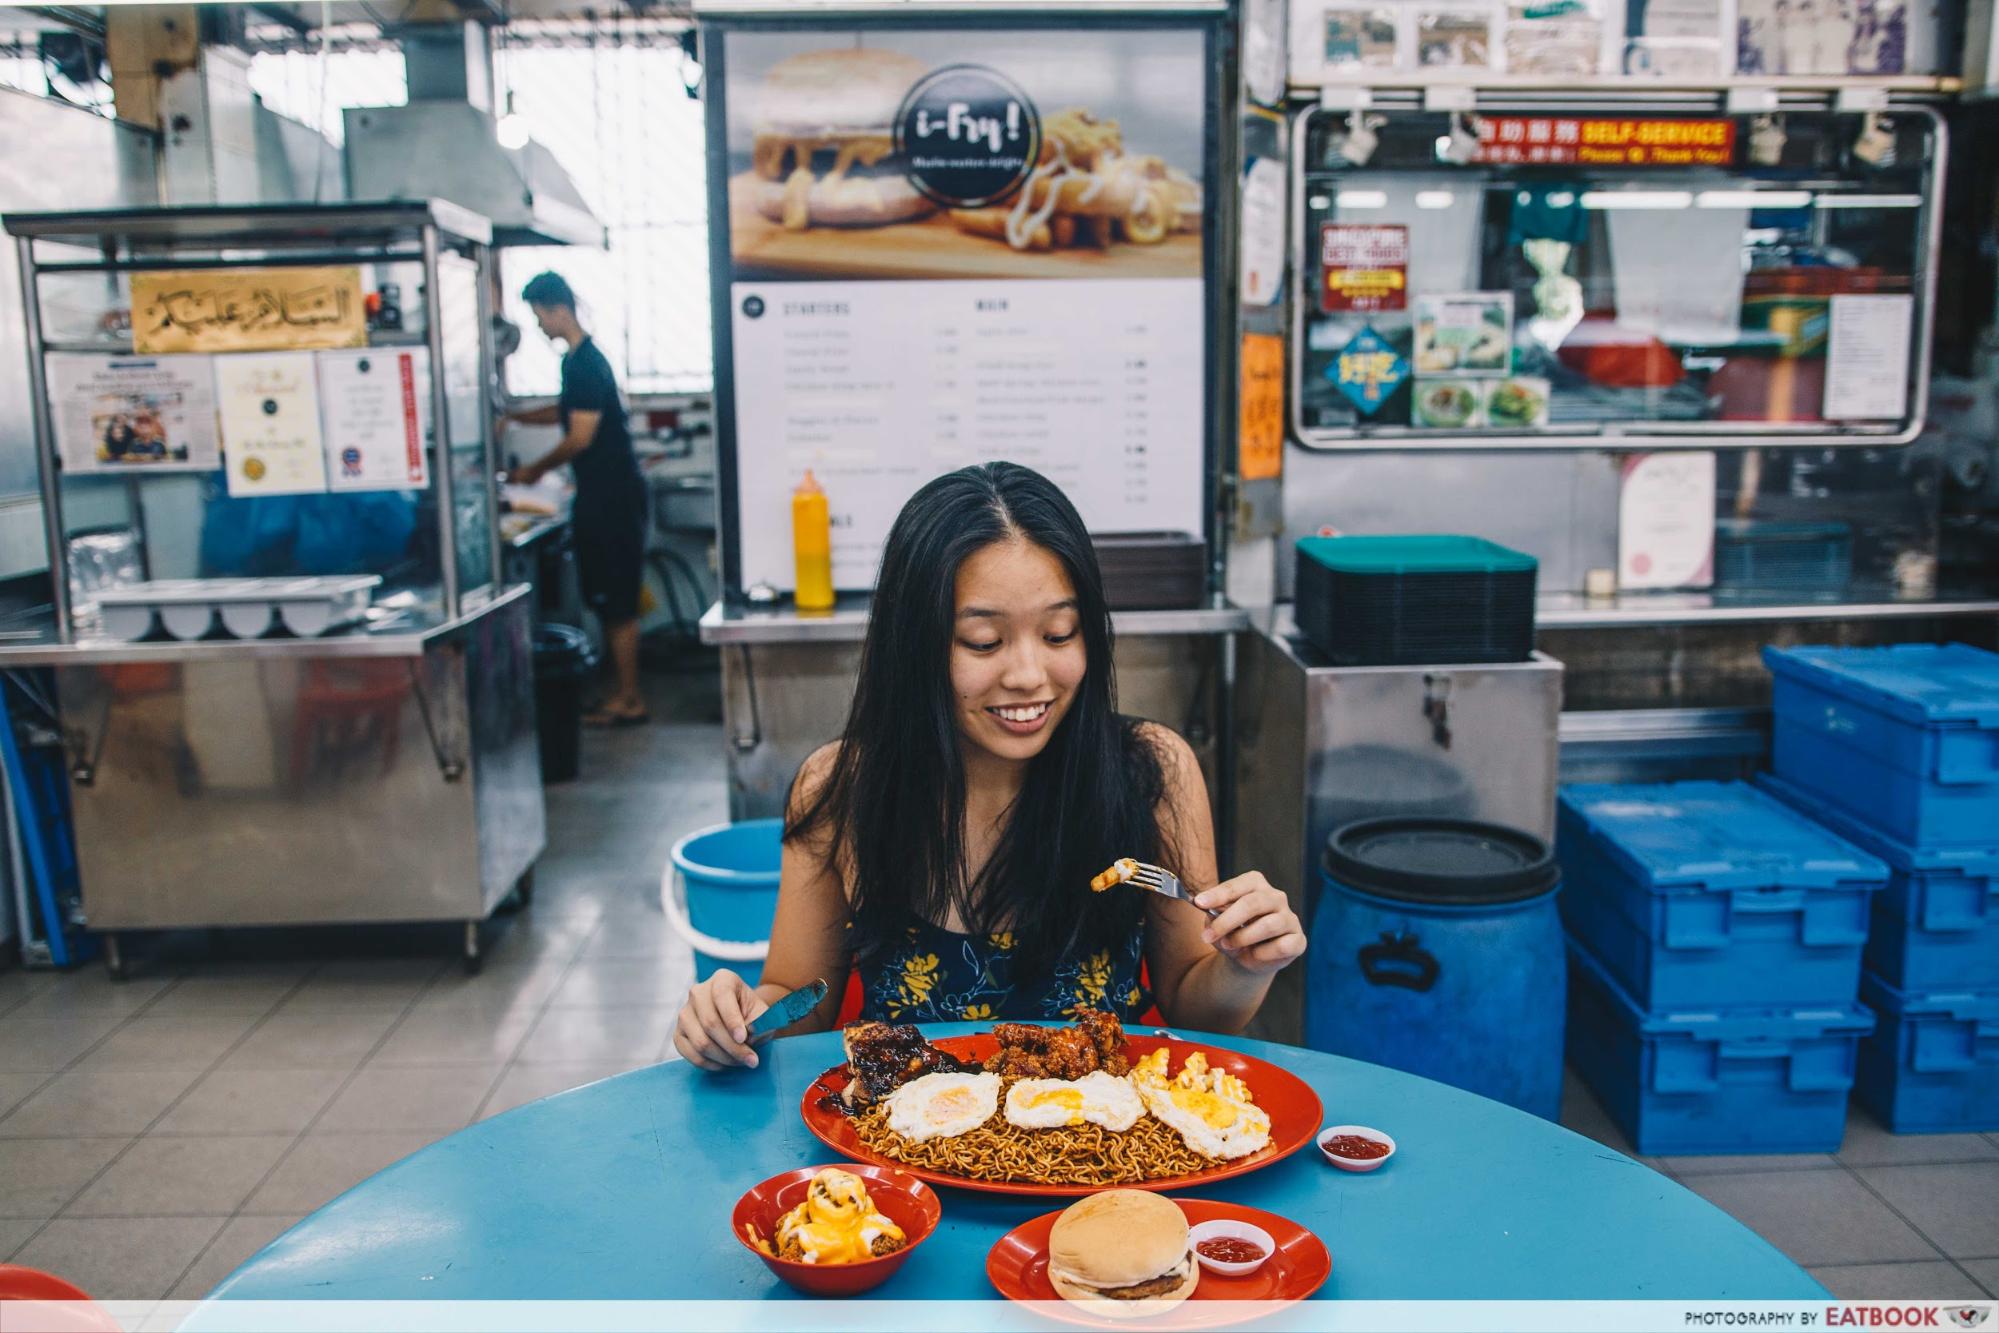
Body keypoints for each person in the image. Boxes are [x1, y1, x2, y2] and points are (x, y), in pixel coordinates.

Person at [672, 463, 1305, 1069]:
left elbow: (1200, 1010)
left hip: (1102, 1150)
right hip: (908, 1146)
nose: (1030, 676)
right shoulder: (843, 788)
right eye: (983, 642)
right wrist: (735, 1019)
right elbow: (799, 999)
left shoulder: (1152, 772)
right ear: (914, 644)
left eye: (1060, 634)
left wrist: (1246, 964)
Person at [502, 272, 649, 726]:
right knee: (611, 600)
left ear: (558, 309)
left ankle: (629, 699)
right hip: (609, 495)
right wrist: (514, 416)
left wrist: (532, 471)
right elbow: (568, 410)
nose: (540, 327)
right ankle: (621, 690)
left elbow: (579, 436)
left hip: (610, 500)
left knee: (617, 602)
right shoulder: (582, 362)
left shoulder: (584, 362)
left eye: (539, 316)